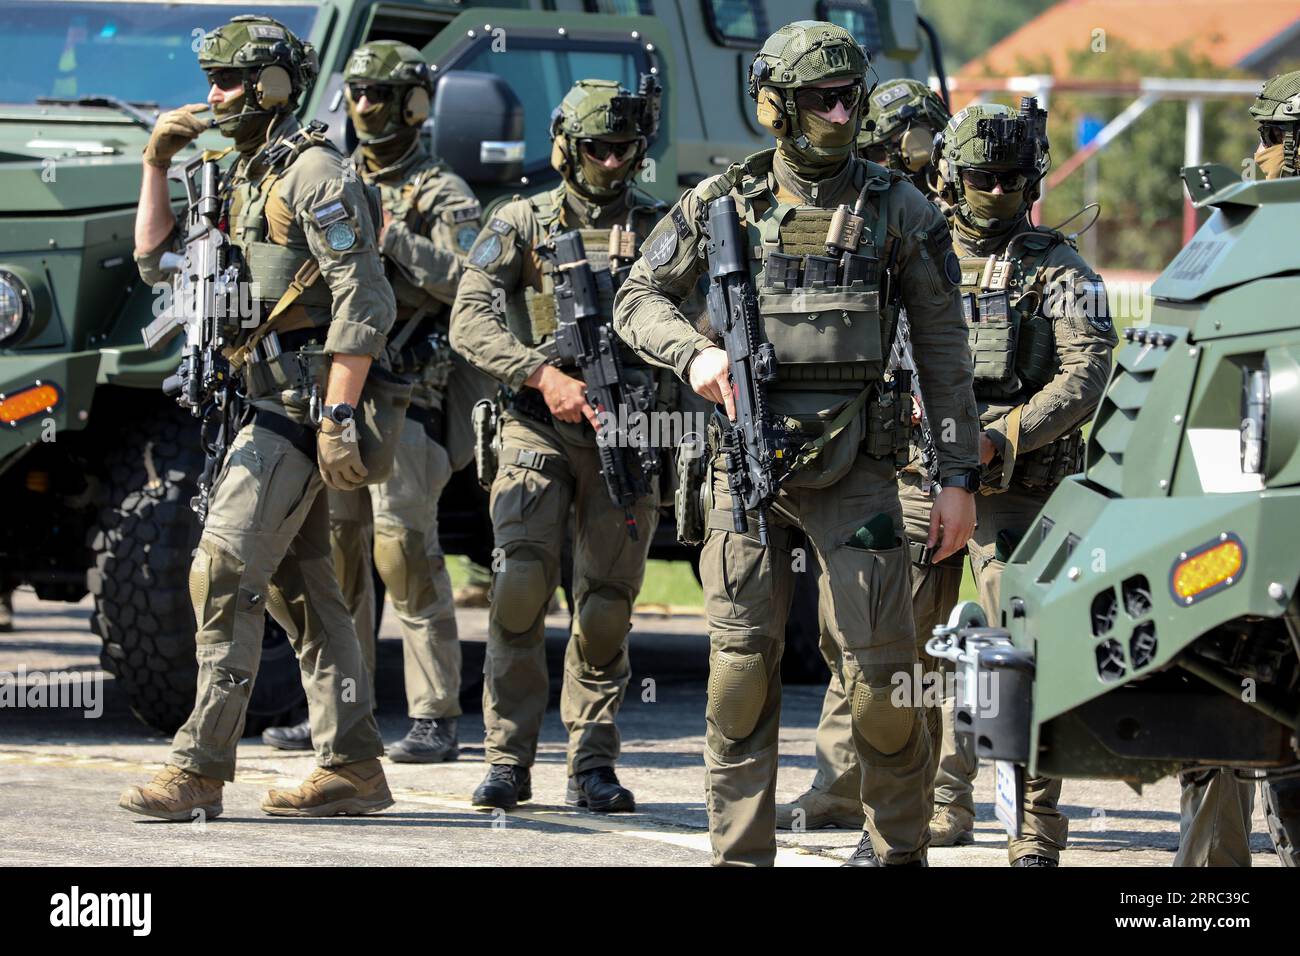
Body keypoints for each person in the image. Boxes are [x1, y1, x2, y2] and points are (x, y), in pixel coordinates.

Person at [614, 20, 980, 866]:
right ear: (773, 106)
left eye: (851, 95)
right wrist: (697, 352)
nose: (843, 111)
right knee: (740, 670)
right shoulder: (719, 204)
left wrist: (956, 476)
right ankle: (739, 853)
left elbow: (944, 351)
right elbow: (638, 297)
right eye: (823, 97)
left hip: (859, 471)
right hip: (744, 469)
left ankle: (898, 848)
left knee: (885, 674)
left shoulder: (900, 207)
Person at [119, 15, 394, 820]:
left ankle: (198, 767)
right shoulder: (236, 171)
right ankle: (352, 766)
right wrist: (155, 160)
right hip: (255, 398)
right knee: (304, 592)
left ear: (275, 83)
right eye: (213, 79)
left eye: (232, 79)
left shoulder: (314, 172)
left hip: (301, 405)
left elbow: (364, 295)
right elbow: (153, 261)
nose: (214, 94)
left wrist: (339, 412)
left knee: (225, 569)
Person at [450, 77, 667, 813]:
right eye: (598, 148)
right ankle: (508, 760)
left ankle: (592, 764)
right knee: (518, 592)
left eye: (624, 148)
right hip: (535, 425)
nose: (612, 161)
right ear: (566, 147)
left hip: (627, 433)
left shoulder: (661, 228)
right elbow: (470, 322)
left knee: (604, 605)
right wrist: (541, 374)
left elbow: (698, 320)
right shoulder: (519, 222)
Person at [262, 40, 482, 765]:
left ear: (414, 105)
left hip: (407, 399)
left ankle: (434, 717)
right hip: (336, 399)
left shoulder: (441, 192)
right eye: (356, 93)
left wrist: (397, 240)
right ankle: (338, 713)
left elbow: (473, 283)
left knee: (405, 556)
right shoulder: (332, 177)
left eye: (379, 94)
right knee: (337, 559)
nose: (364, 107)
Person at [923, 100, 1118, 864]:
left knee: (1022, 649)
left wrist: (1006, 434)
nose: (998, 192)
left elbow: (1087, 372)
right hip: (921, 480)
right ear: (950, 176)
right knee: (904, 651)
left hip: (1018, 494)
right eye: (982, 177)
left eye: (1012, 178)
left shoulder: (1062, 269)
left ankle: (1036, 826)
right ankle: (936, 802)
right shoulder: (919, 251)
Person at [777, 77, 963, 840]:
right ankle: (840, 782)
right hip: (870, 448)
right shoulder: (858, 215)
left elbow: (953, 348)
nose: (891, 161)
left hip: (934, 456)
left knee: (908, 644)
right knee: (852, 636)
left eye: (905, 146)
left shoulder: (933, 224)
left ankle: (938, 793)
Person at [1173, 69, 1300, 867]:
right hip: (1238, 492)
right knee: (1223, 693)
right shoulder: (1239, 229)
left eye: (1270, 136)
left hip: (1251, 497)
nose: (1257, 153)